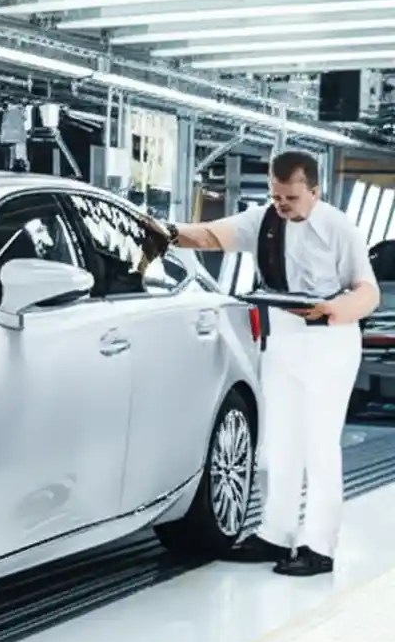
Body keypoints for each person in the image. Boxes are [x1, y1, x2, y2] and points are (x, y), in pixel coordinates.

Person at [142, 150, 380, 576]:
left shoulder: (339, 227)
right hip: (283, 336)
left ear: (314, 191)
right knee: (281, 442)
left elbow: (368, 292)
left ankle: (318, 546)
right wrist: (165, 232)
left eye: (290, 197)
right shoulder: (265, 220)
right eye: (275, 196)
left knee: (320, 446)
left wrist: (333, 308)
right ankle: (276, 533)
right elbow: (211, 236)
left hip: (330, 339)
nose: (281, 204)